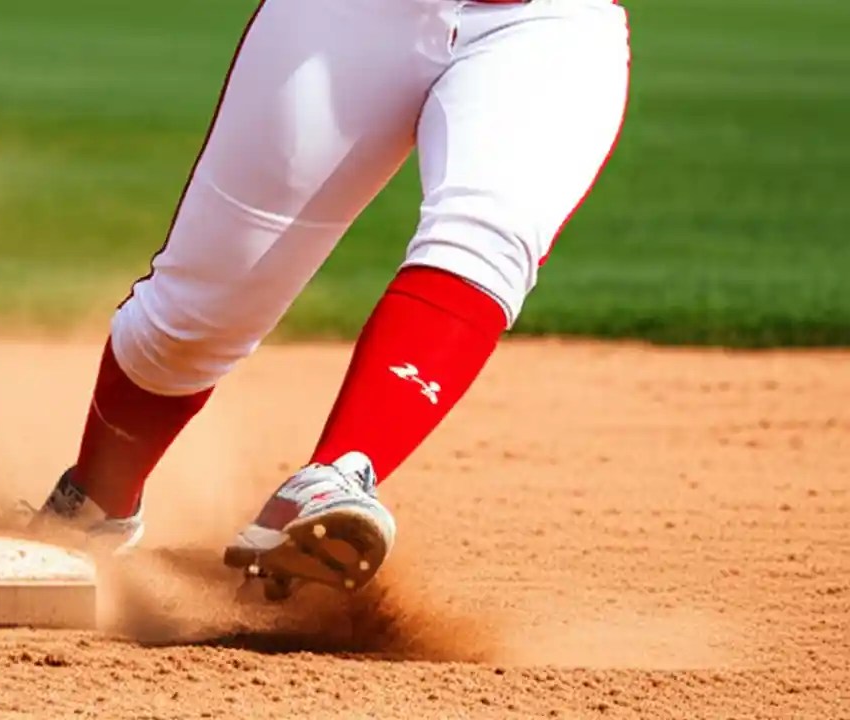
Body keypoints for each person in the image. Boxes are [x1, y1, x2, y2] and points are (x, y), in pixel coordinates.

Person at [34, 0, 630, 600]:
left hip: (549, 23)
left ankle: (337, 477)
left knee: (486, 235)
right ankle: (93, 502)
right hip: (349, 17)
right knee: (194, 319)